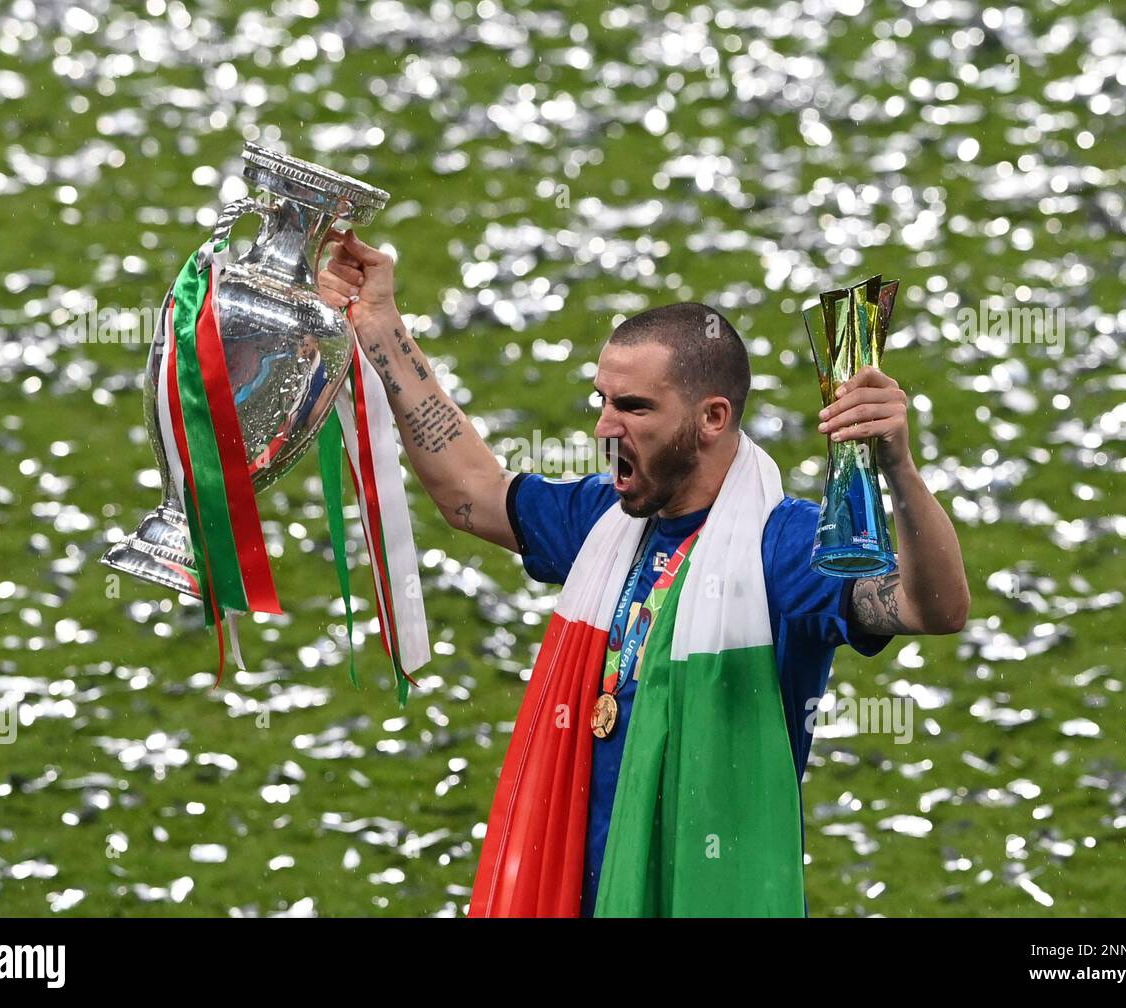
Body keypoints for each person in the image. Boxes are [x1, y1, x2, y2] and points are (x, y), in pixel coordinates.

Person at [317, 230, 970, 917]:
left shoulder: (783, 546)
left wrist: (897, 468)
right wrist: (382, 328)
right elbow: (470, 494)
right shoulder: (606, 519)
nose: (604, 426)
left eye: (632, 407)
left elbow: (935, 608)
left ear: (712, 418)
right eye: (602, 399)